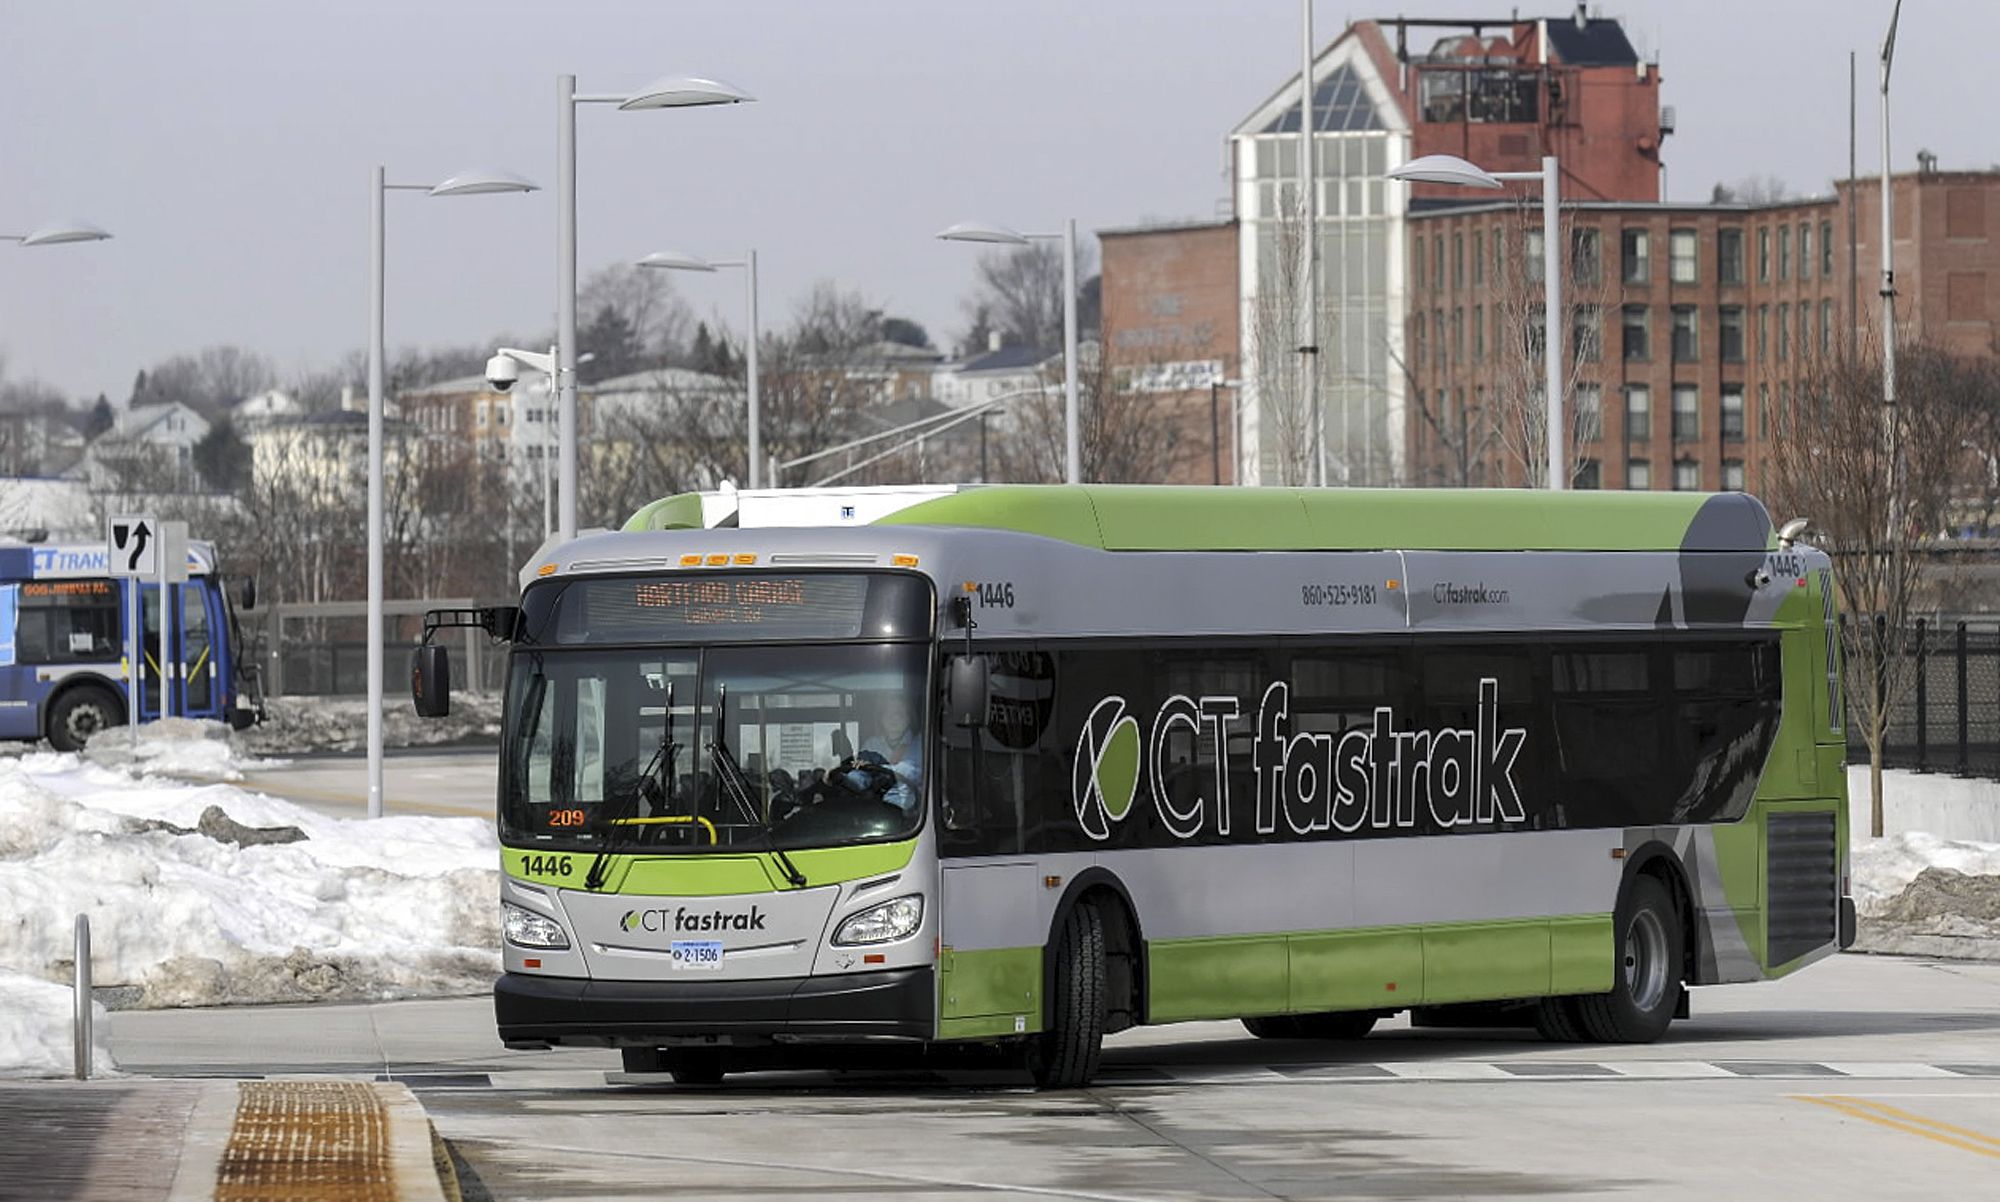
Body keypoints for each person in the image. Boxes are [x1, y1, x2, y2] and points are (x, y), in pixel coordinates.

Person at [847, 692, 922, 813]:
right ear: (881, 718)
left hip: (911, 817)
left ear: (909, 718)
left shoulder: (919, 743)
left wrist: (875, 769)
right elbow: (860, 778)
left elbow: (911, 771)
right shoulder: (872, 744)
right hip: (874, 811)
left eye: (900, 713)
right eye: (889, 713)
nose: (895, 718)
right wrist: (847, 778)